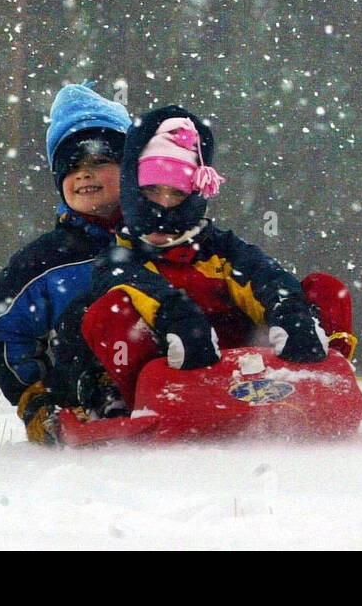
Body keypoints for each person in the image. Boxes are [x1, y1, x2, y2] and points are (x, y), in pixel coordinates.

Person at [35, 105, 344, 442]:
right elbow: (135, 284)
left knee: (325, 290)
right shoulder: (119, 256)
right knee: (102, 312)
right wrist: (176, 317)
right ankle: (118, 401)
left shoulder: (219, 247)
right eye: (151, 191)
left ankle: (324, 377)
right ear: (132, 191)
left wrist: (290, 316)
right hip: (171, 372)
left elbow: (263, 277)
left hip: (241, 368)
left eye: (177, 193)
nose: (164, 204)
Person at [0, 82, 130, 425]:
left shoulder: (158, 240)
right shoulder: (46, 261)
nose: (85, 173)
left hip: (165, 381)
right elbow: (2, 328)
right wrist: (34, 396)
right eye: (72, 167)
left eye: (100, 159)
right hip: (83, 400)